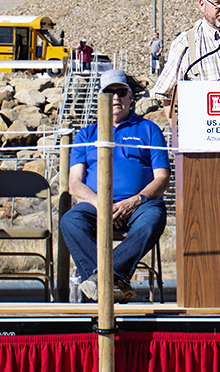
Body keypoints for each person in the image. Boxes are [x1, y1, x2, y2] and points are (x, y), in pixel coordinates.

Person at [61, 68, 170, 302]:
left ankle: (100, 281)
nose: (116, 98)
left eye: (121, 92)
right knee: (71, 220)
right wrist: (100, 205)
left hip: (139, 204)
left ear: (131, 96)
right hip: (96, 204)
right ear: (100, 98)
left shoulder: (149, 129)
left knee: (153, 219)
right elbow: (74, 183)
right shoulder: (86, 134)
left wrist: (136, 200)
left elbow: (162, 178)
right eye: (109, 93)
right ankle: (111, 282)